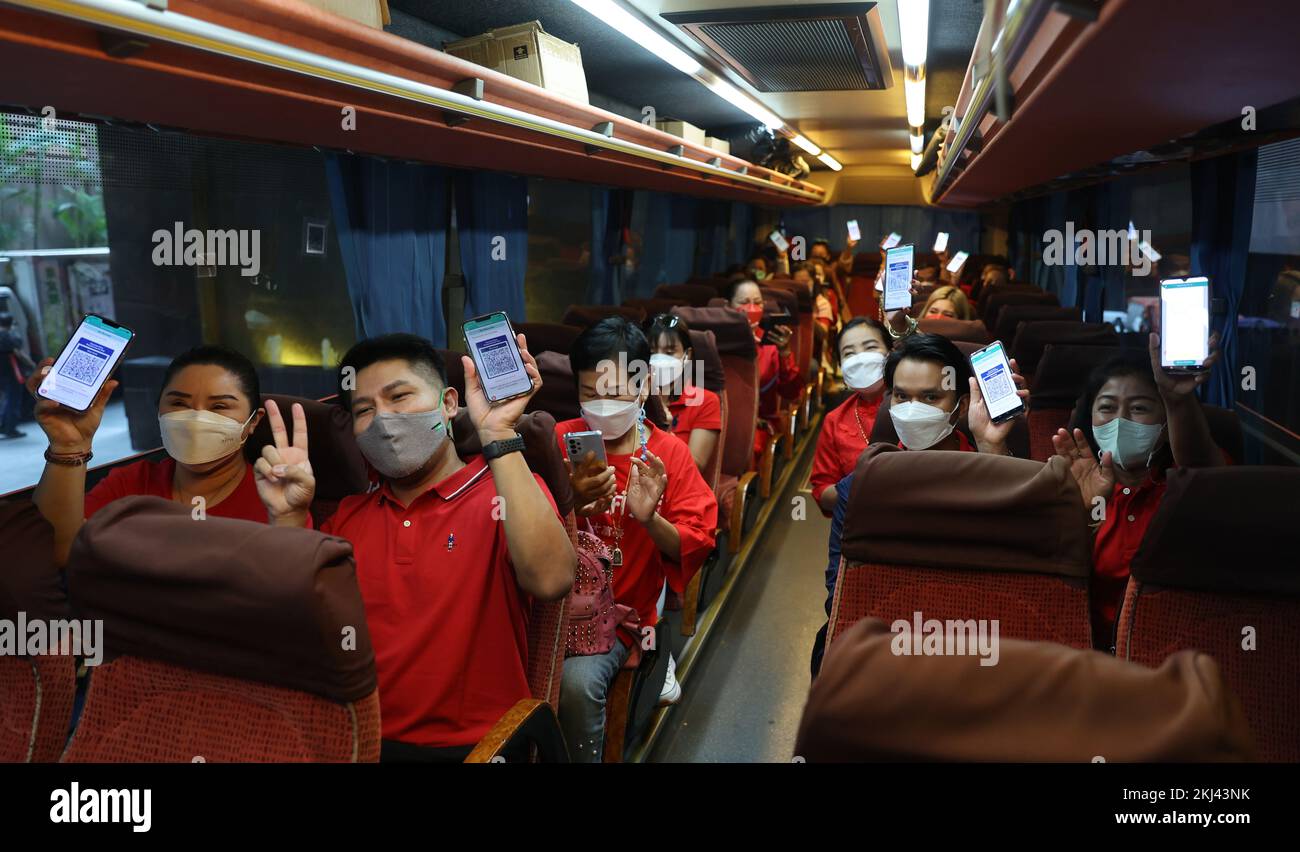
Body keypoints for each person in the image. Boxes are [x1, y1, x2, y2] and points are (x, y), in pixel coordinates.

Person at [264, 333, 574, 761]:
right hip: (358, 742)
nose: (383, 420)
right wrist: (288, 518)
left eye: (400, 397)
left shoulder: (503, 491)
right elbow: (295, 631)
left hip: (479, 747)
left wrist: (498, 433)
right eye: (364, 410)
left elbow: (552, 579)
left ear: (448, 403)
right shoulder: (349, 517)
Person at [811, 332, 1028, 675]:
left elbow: (1014, 576)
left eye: (931, 397)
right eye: (901, 396)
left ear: (960, 405)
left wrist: (992, 451)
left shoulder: (1008, 477)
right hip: (884, 641)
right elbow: (838, 589)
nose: (913, 410)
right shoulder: (861, 488)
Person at [555, 318, 717, 760]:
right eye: (590, 394)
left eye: (615, 393)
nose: (601, 404)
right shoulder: (559, 439)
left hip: (619, 614)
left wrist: (650, 521)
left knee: (576, 683)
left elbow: (696, 539)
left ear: (642, 388)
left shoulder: (668, 453)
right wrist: (570, 506)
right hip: (550, 604)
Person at [27, 344, 295, 565]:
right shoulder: (131, 483)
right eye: (178, 403)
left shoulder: (277, 498)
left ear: (252, 421)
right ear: (159, 411)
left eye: (219, 406)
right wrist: (69, 445)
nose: (195, 419)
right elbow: (55, 554)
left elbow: (292, 587)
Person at [1050, 334, 1223, 647]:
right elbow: (1051, 592)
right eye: (1107, 407)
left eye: (1140, 408)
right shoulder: (1070, 483)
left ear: (1167, 422)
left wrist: (1178, 400)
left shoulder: (1183, 486)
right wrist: (1083, 514)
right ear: (1091, 419)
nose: (1121, 421)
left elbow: (1205, 476)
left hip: (1176, 651)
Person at [809, 318, 892, 516]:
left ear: (891, 353)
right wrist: (856, 489)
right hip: (861, 521)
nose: (861, 358)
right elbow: (822, 489)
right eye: (849, 353)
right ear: (841, 367)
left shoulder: (918, 402)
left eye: (870, 347)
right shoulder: (835, 420)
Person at [726, 278, 801, 463]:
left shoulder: (772, 344)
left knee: (749, 450)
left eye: (757, 303)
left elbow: (791, 392)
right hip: (723, 421)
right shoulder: (717, 341)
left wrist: (785, 353)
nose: (751, 308)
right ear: (729, 306)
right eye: (743, 303)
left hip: (760, 424)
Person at [645, 313, 722, 475]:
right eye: (652, 352)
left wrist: (664, 431)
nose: (659, 359)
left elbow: (694, 467)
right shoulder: (634, 398)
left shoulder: (705, 402)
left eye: (669, 352)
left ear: (687, 355)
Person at [0, 313, 34, 439]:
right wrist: (31, 364)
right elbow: (18, 352)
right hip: (11, 372)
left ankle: (4, 425)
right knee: (13, 399)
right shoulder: (8, 337)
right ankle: (10, 427)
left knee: (5, 400)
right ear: (11, 323)